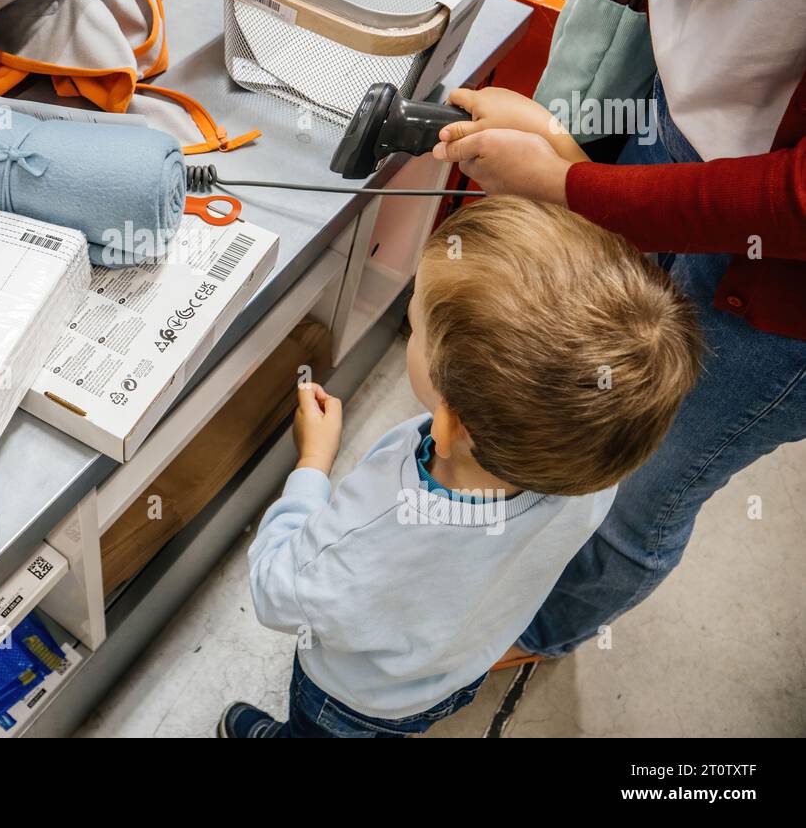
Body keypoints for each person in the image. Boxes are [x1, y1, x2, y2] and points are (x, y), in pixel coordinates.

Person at [430, 0, 806, 664]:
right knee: (590, 389)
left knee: (651, 488)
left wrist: (566, 185)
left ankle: (542, 634)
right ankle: (528, 563)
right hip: (680, 123)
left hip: (775, 282)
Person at [219, 197, 702, 737]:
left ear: (451, 425)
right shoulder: (590, 470)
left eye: (416, 325)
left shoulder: (384, 521)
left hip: (350, 701)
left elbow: (276, 590)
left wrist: (313, 462)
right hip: (450, 678)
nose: (409, 319)